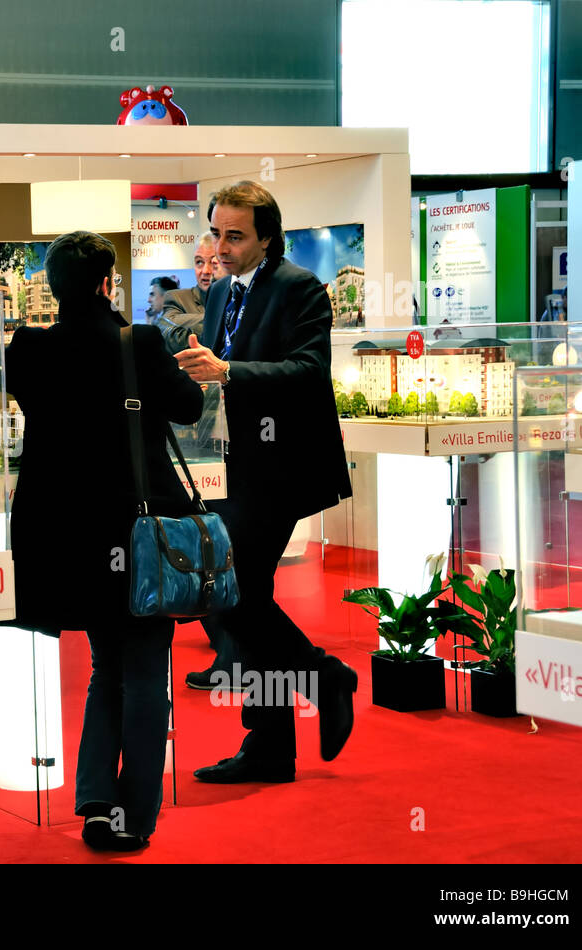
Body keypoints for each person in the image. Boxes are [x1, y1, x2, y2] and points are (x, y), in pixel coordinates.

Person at [0, 230, 203, 850]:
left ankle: (96, 804)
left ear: (51, 288)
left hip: (64, 536)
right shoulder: (136, 343)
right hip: (137, 532)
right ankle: (134, 814)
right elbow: (188, 407)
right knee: (142, 673)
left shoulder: (27, 349)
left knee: (104, 668)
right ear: (109, 282)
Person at [175, 181, 357, 783]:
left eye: (235, 235)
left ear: (266, 238)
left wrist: (229, 370)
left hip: (284, 467)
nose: (221, 247)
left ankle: (317, 684)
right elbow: (228, 369)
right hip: (237, 463)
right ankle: (278, 739)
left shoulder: (300, 287)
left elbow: (308, 372)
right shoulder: (223, 289)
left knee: (239, 594)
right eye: (216, 233)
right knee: (240, 594)